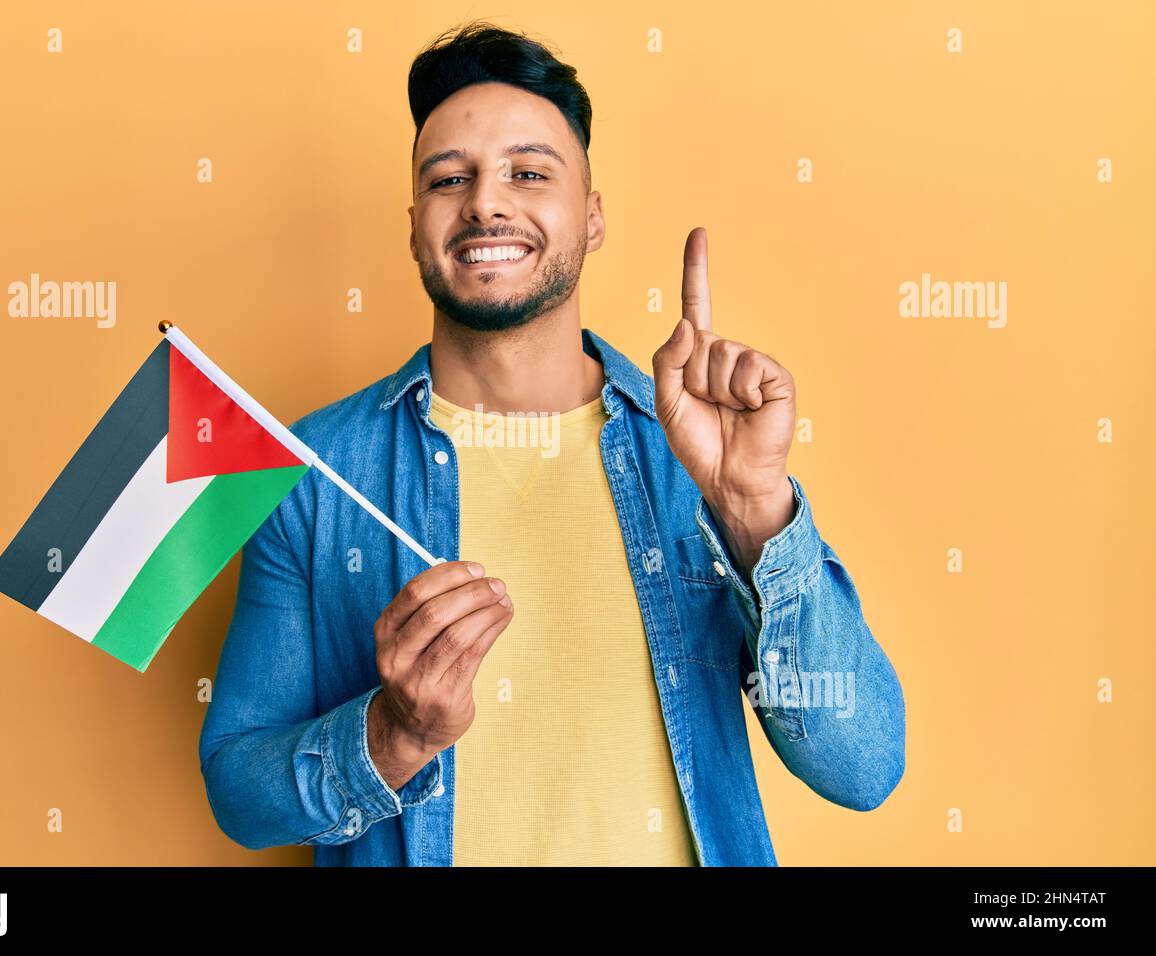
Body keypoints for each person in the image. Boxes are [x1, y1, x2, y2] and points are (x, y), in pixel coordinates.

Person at [198, 19, 905, 866]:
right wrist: (392, 735)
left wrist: (754, 510)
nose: (486, 203)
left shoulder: (698, 451)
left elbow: (864, 765)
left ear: (593, 216)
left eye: (528, 173)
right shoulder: (314, 476)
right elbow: (238, 789)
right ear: (415, 225)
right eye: (449, 179)